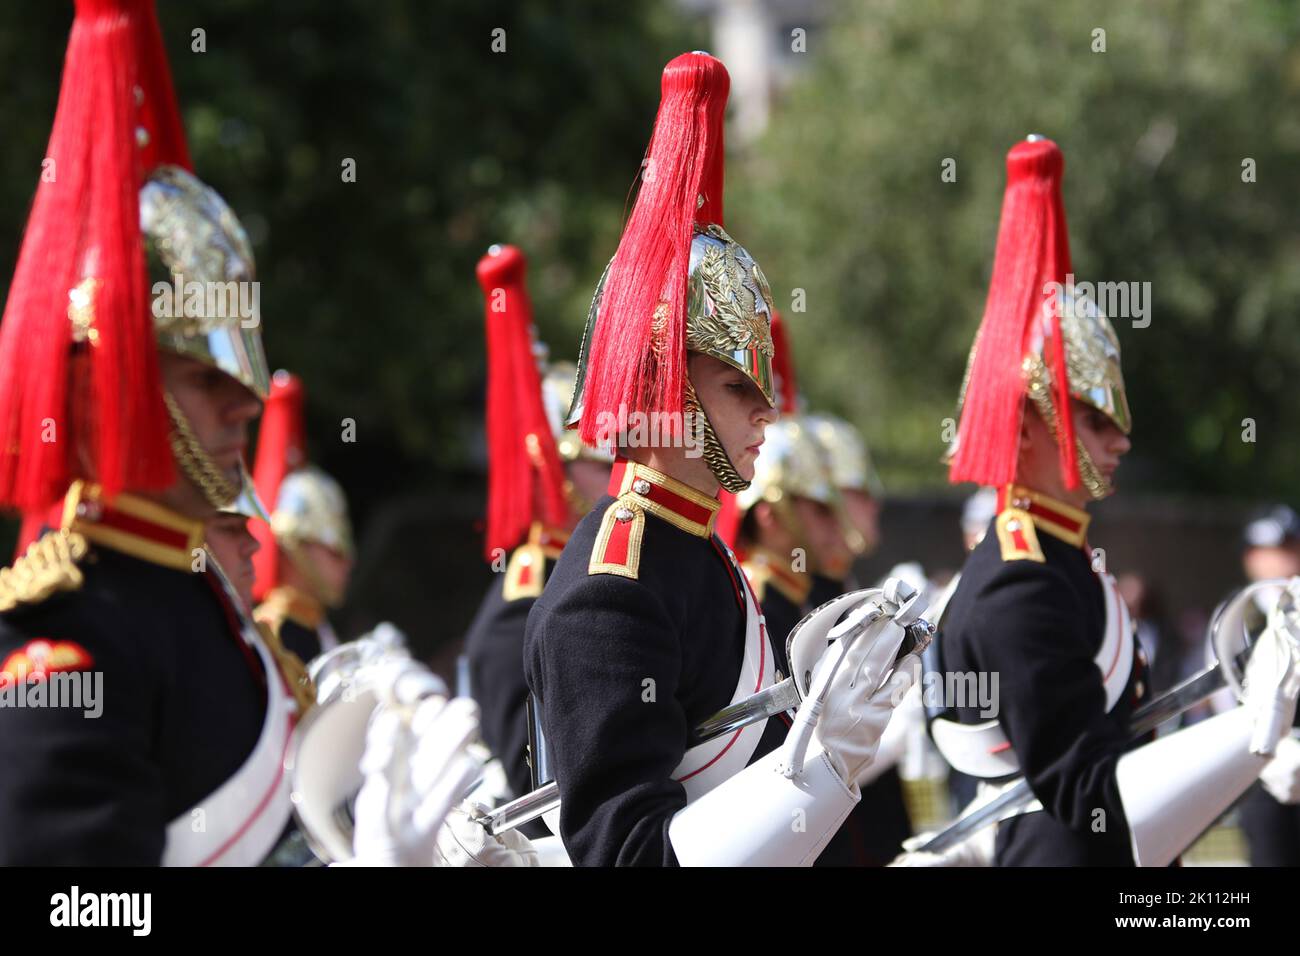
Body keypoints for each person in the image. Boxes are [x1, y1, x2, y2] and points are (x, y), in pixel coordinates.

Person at [523, 51, 920, 867]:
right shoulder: (613, 591)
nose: (765, 410)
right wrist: (824, 767)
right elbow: (627, 854)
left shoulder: (694, 554)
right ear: (664, 381)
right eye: (739, 385)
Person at [921, 135, 1300, 867]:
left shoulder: (1057, 560)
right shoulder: (1018, 579)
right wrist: (1250, 733)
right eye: (1096, 420)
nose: (1120, 441)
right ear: (1029, 423)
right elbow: (1089, 794)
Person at [0, 0, 294, 865]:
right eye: (207, 378)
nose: (246, 406)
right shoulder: (69, 635)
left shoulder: (204, 592)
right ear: (105, 382)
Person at [463, 244, 611, 804]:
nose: (615, 476)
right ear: (556, 470)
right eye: (600, 463)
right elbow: (540, 798)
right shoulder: (519, 611)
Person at [251, 370, 355, 664]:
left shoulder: (314, 626)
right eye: (334, 550)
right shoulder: (276, 633)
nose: (348, 563)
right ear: (293, 543)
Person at [1232, 506, 1300, 866]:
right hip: (1258, 770)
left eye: (1288, 548)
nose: (1279, 561)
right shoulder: (1234, 619)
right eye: (1267, 551)